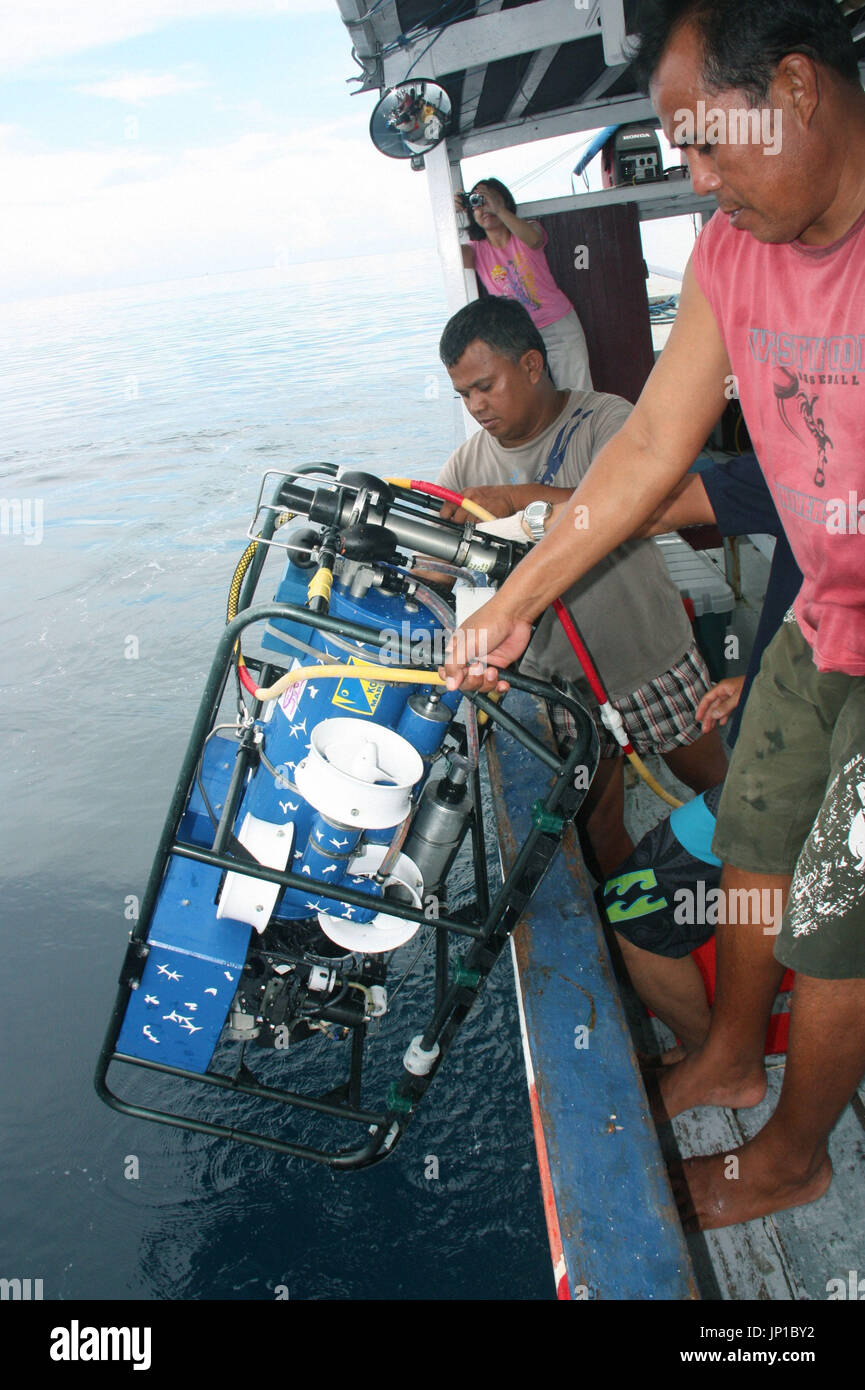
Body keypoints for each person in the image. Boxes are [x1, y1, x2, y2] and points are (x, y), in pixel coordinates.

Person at [441, 0, 865, 1231]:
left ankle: (794, 1149)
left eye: (704, 142)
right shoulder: (733, 256)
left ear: (794, 87)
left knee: (837, 905)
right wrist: (515, 606)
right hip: (816, 622)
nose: (694, 179)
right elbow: (636, 465)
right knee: (752, 828)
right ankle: (734, 1048)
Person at [435, 295, 728, 879]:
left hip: (652, 660)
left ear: (532, 365)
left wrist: (518, 499)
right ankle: (634, 927)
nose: (476, 407)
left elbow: (636, 502)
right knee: (596, 826)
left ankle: (767, 889)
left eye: (485, 386)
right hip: (561, 691)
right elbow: (433, 568)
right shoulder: (465, 465)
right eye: (463, 395)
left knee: (728, 791)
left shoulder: (607, 421)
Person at [599, 455, 803, 1056]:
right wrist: (760, 675)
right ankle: (716, 1053)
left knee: (634, 908)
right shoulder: (802, 467)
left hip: (816, 795)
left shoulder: (821, 454)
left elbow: (652, 502)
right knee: (638, 892)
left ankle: (720, 1060)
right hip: (776, 764)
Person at [456, 177, 593, 391]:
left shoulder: (528, 230)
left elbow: (534, 240)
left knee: (578, 391)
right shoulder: (476, 250)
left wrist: (498, 209)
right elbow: (449, 255)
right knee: (534, 398)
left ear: (504, 203)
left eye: (489, 199)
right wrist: (452, 214)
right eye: (477, 203)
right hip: (519, 335)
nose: (485, 208)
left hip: (557, 325)